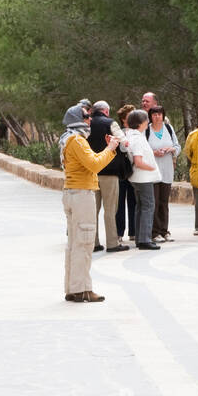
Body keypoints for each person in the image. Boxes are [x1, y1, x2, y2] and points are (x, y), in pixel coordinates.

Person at [59, 103, 118, 302]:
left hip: (72, 192)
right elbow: (94, 164)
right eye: (86, 116)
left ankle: (73, 287)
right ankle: (83, 289)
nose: (90, 119)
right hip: (82, 194)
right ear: (77, 120)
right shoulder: (77, 141)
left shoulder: (68, 139)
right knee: (84, 243)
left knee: (75, 243)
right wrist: (110, 149)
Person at [87, 101, 128, 253]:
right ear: (106, 111)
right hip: (109, 172)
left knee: (93, 210)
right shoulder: (111, 123)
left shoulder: (87, 124)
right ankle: (112, 243)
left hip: (91, 171)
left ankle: (94, 243)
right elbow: (124, 142)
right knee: (110, 209)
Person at [124, 110, 160, 250]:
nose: (148, 122)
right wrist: (151, 168)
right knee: (148, 206)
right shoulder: (138, 139)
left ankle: (140, 237)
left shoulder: (131, 136)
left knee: (140, 206)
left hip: (136, 177)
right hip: (143, 177)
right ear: (140, 123)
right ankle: (145, 239)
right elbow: (138, 161)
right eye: (146, 120)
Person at [146, 106, 180, 243]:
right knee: (154, 202)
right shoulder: (147, 130)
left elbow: (177, 147)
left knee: (164, 202)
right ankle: (155, 232)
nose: (157, 117)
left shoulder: (169, 129)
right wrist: (154, 153)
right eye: (154, 115)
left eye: (159, 114)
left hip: (167, 171)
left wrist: (171, 149)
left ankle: (164, 231)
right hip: (152, 171)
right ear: (150, 117)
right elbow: (142, 149)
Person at [115, 104, 137, 241]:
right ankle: (119, 232)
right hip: (122, 171)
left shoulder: (139, 132)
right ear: (123, 119)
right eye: (130, 116)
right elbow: (123, 149)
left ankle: (133, 232)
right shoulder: (119, 133)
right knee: (120, 203)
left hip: (135, 171)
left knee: (134, 202)